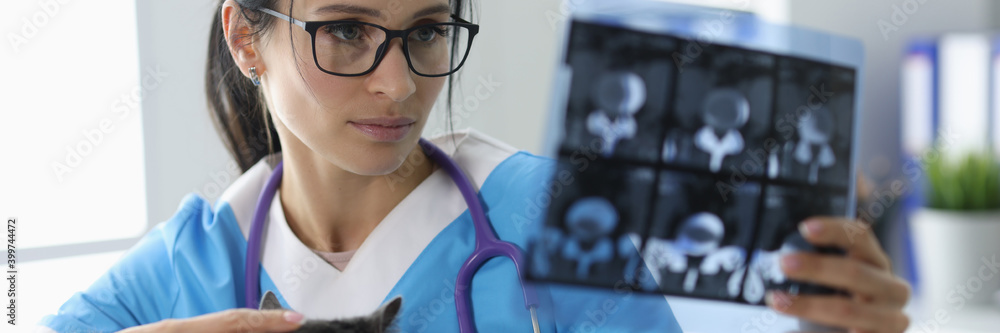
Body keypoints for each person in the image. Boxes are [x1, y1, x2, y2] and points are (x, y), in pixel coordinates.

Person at [36, 0, 911, 332]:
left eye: (424, 32)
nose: (398, 82)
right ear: (245, 37)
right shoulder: (186, 264)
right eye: (345, 29)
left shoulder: (549, 213)